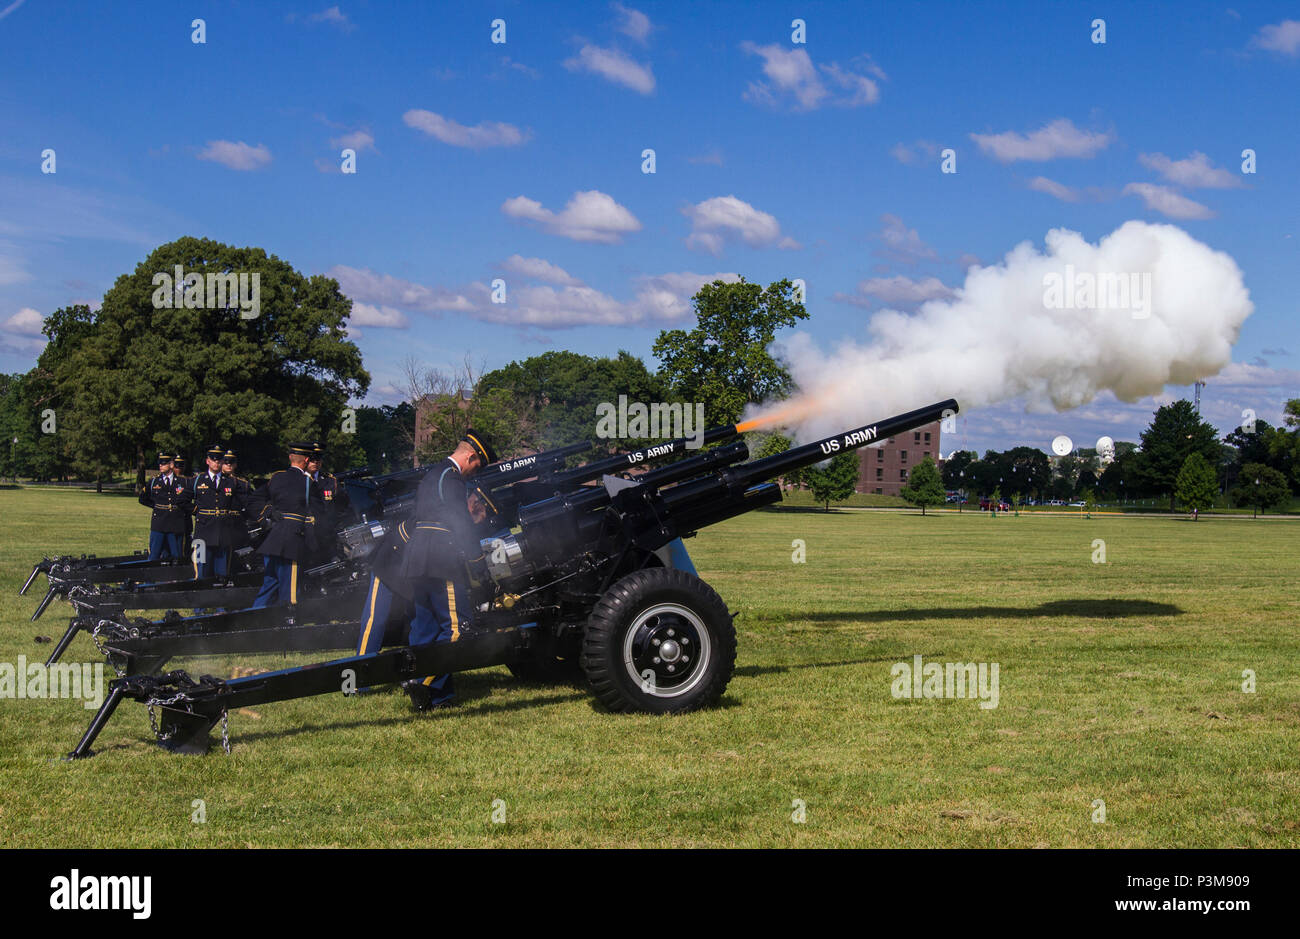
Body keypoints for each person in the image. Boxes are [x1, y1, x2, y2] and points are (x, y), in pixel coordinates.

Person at [366, 430, 496, 710]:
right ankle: (423, 684)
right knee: (459, 628)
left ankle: (438, 697)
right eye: (477, 466)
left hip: (417, 558)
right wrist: (479, 567)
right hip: (440, 559)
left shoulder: (431, 475)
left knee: (425, 627)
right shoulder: (451, 479)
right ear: (471, 456)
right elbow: (460, 525)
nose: (475, 474)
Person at [249, 442, 321, 608]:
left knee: (269, 585)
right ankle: (288, 623)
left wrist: (267, 512)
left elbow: (254, 500)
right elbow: (320, 513)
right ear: (307, 459)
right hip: (292, 542)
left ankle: (253, 617)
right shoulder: (309, 483)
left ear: (290, 457)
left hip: (273, 539)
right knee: (290, 595)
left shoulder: (276, 478)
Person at [190, 444, 242, 580]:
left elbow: (239, 504)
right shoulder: (197, 481)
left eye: (219, 459)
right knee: (201, 572)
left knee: (223, 573)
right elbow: (182, 500)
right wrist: (198, 512)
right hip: (203, 532)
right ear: (208, 461)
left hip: (223, 533)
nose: (217, 462)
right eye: (213, 459)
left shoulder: (231, 482)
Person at [138, 452, 189, 561]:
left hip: (175, 523)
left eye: (164, 463)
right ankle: (151, 578)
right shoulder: (154, 481)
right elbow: (142, 499)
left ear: (171, 465)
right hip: (159, 524)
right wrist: (157, 506)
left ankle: (176, 578)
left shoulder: (183, 482)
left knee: (177, 556)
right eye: (159, 463)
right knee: (154, 556)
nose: (160, 465)